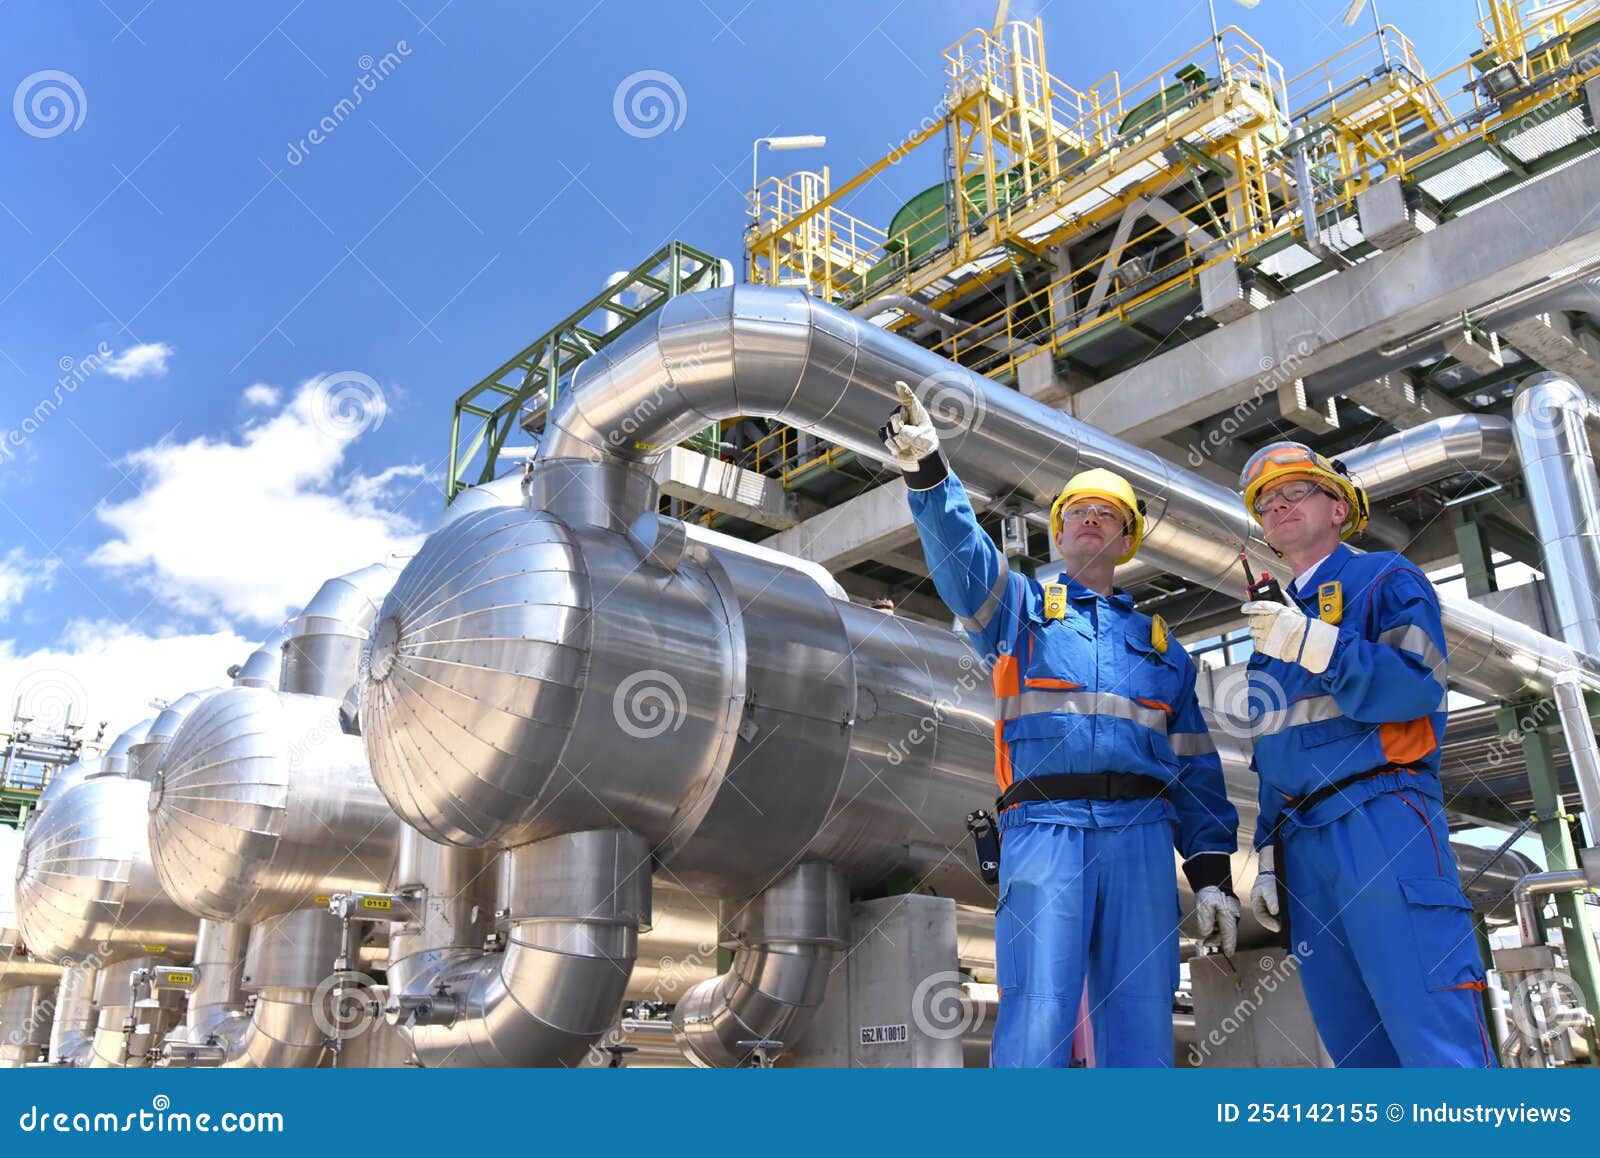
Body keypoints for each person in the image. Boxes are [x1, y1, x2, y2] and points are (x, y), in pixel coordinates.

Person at [882, 381, 1239, 1068]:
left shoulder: (1164, 650)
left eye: (1106, 514)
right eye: (1076, 512)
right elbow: (964, 564)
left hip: (1142, 839)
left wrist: (1214, 872)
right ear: (1058, 529)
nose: (1088, 521)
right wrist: (930, 471)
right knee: (1037, 1016)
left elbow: (1196, 770)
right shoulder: (1019, 611)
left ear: (1125, 537)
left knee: (1140, 1020)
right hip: (1044, 831)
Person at [1237, 441, 1495, 1067]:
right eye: (1267, 503)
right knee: (1354, 1047)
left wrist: (1316, 644)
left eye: (1294, 492)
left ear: (1338, 507)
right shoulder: (1268, 637)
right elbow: (1275, 750)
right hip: (1302, 843)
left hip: (1383, 815)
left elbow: (1414, 683)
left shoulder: (1386, 577)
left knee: (1432, 1028)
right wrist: (1267, 850)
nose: (1278, 506)